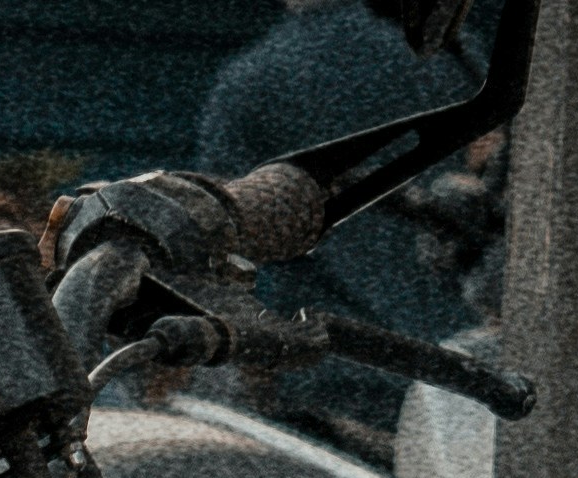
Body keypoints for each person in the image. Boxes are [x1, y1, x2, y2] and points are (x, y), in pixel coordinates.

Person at [193, 0, 480, 445]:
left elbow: (218, 239)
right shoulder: (454, 59)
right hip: (469, 376)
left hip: (337, 385)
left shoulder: (252, 83)